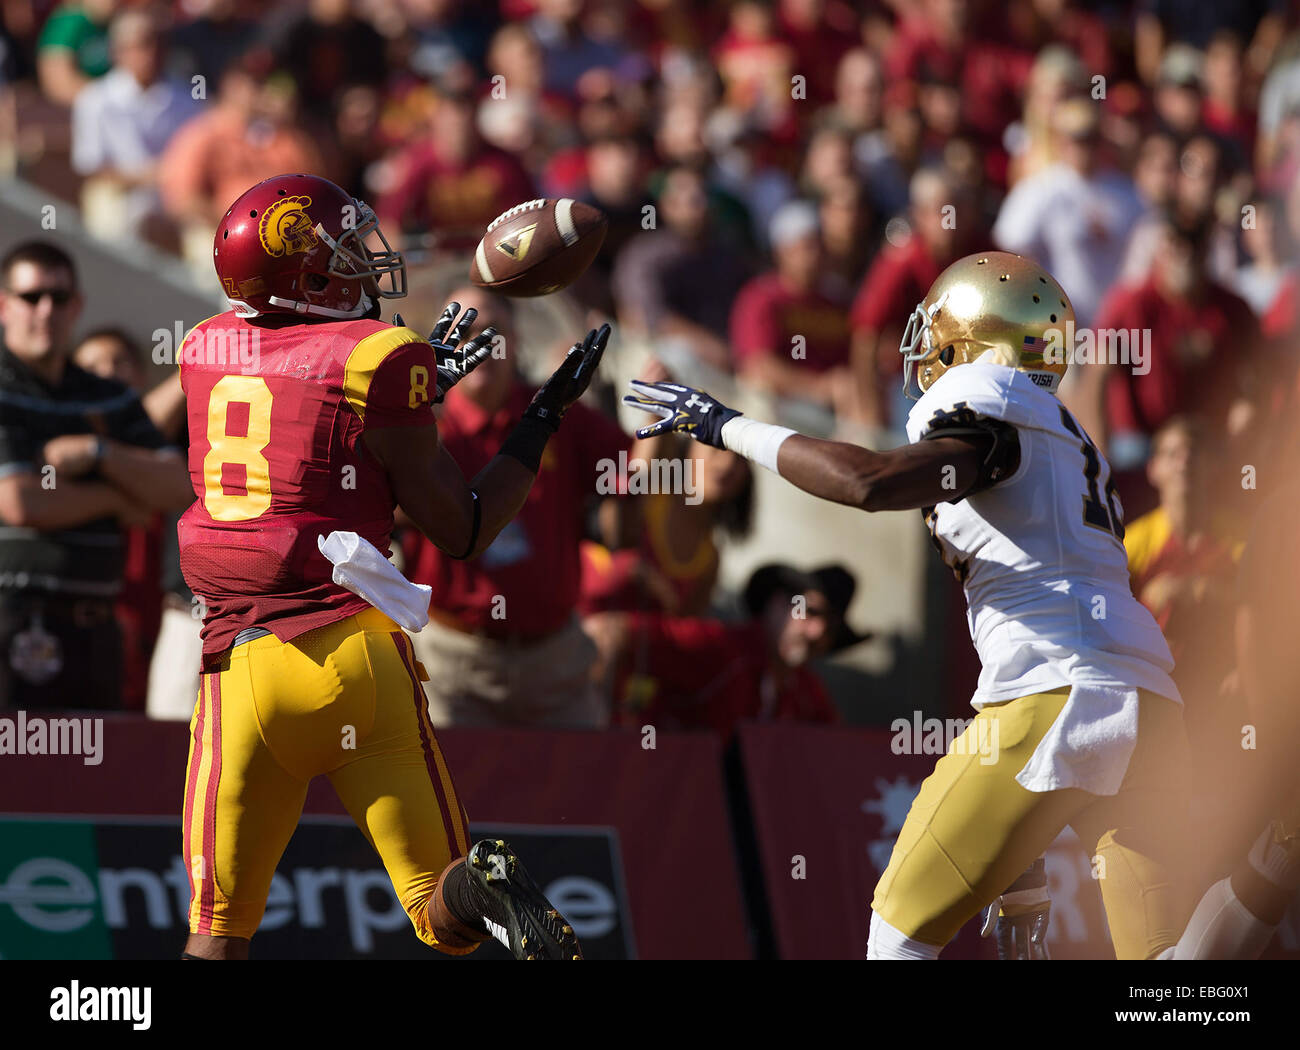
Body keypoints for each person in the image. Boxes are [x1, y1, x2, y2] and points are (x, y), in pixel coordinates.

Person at [626, 250, 1191, 960]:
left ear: (973, 340)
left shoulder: (990, 407)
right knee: (1172, 976)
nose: (922, 350)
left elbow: (870, 483)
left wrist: (724, 426)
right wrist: (1020, 860)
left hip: (1054, 694)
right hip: (1152, 704)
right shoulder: (1066, 437)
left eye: (936, 332)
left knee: (897, 937)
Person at [176, 172, 600, 961]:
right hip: (351, 658)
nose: (368, 266)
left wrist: (407, 393)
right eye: (345, 253)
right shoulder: (377, 354)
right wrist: (540, 420)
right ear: (307, 274)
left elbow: (302, 423)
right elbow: (462, 526)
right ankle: (478, 887)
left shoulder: (205, 347)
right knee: (437, 909)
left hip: (235, 670)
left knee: (217, 932)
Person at [404, 284, 634, 729]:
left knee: (589, 791)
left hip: (556, 662)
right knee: (455, 797)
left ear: (517, 342)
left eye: (494, 332)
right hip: (453, 664)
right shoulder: (420, 424)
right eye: (464, 333)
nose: (480, 344)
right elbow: (382, 509)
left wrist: (651, 431)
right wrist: (409, 417)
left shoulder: (558, 412)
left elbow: (629, 478)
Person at [0, 241, 191, 710]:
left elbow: (177, 485)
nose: (46, 311)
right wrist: (118, 498)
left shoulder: (109, 398)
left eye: (59, 298)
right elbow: (22, 503)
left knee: (92, 781)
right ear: (3, 305)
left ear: (77, 305)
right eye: (31, 297)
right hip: (8, 627)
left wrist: (99, 452)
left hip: (96, 633)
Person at [586, 561, 859, 737]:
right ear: (776, 603)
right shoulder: (720, 649)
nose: (818, 632)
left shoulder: (808, 691)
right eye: (809, 612)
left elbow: (838, 757)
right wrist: (605, 735)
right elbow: (607, 633)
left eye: (831, 628)